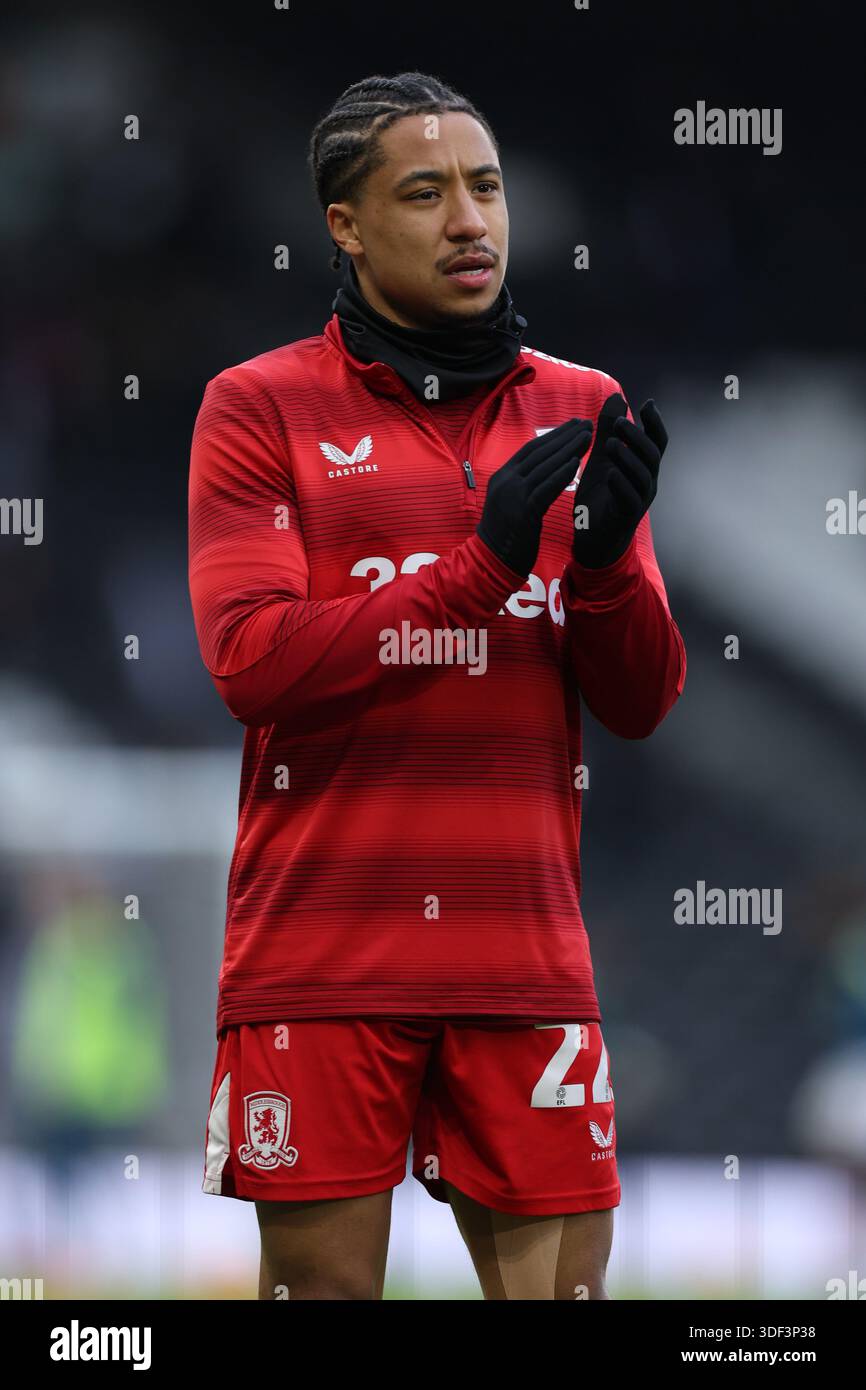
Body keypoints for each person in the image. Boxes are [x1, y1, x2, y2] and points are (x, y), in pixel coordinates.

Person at [189, 71, 686, 1300]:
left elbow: (640, 700)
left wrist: (611, 563)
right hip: (321, 955)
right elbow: (252, 663)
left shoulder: (581, 408)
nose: (470, 220)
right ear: (344, 227)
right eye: (424, 192)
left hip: (520, 960)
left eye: (485, 186)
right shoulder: (255, 409)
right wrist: (476, 572)